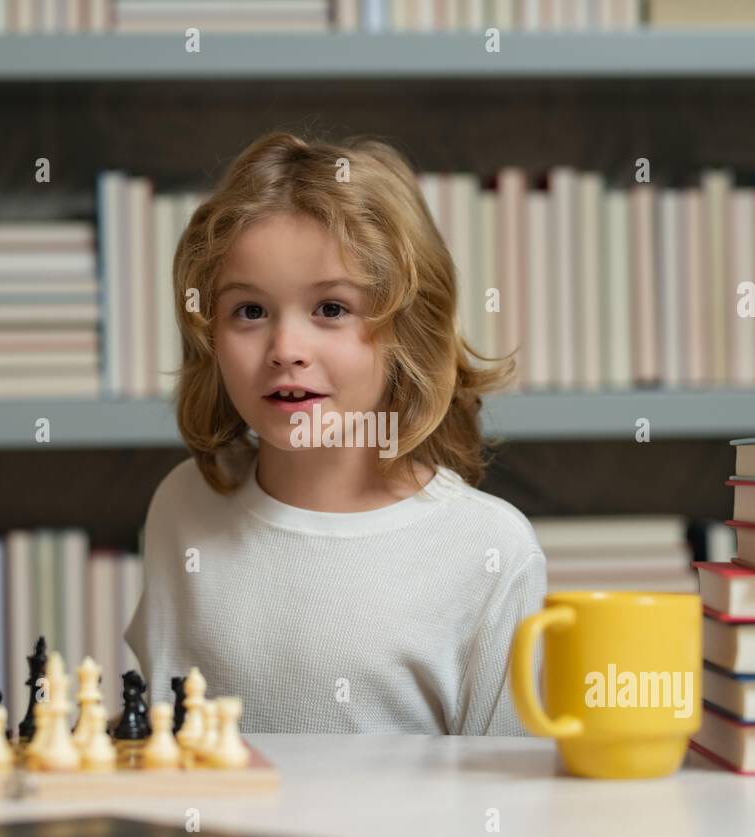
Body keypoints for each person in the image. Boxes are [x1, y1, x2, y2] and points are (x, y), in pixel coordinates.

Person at [124, 130, 544, 735]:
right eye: (249, 311)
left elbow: (510, 794)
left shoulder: (491, 548)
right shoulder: (181, 507)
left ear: (407, 330)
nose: (286, 350)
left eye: (331, 309)